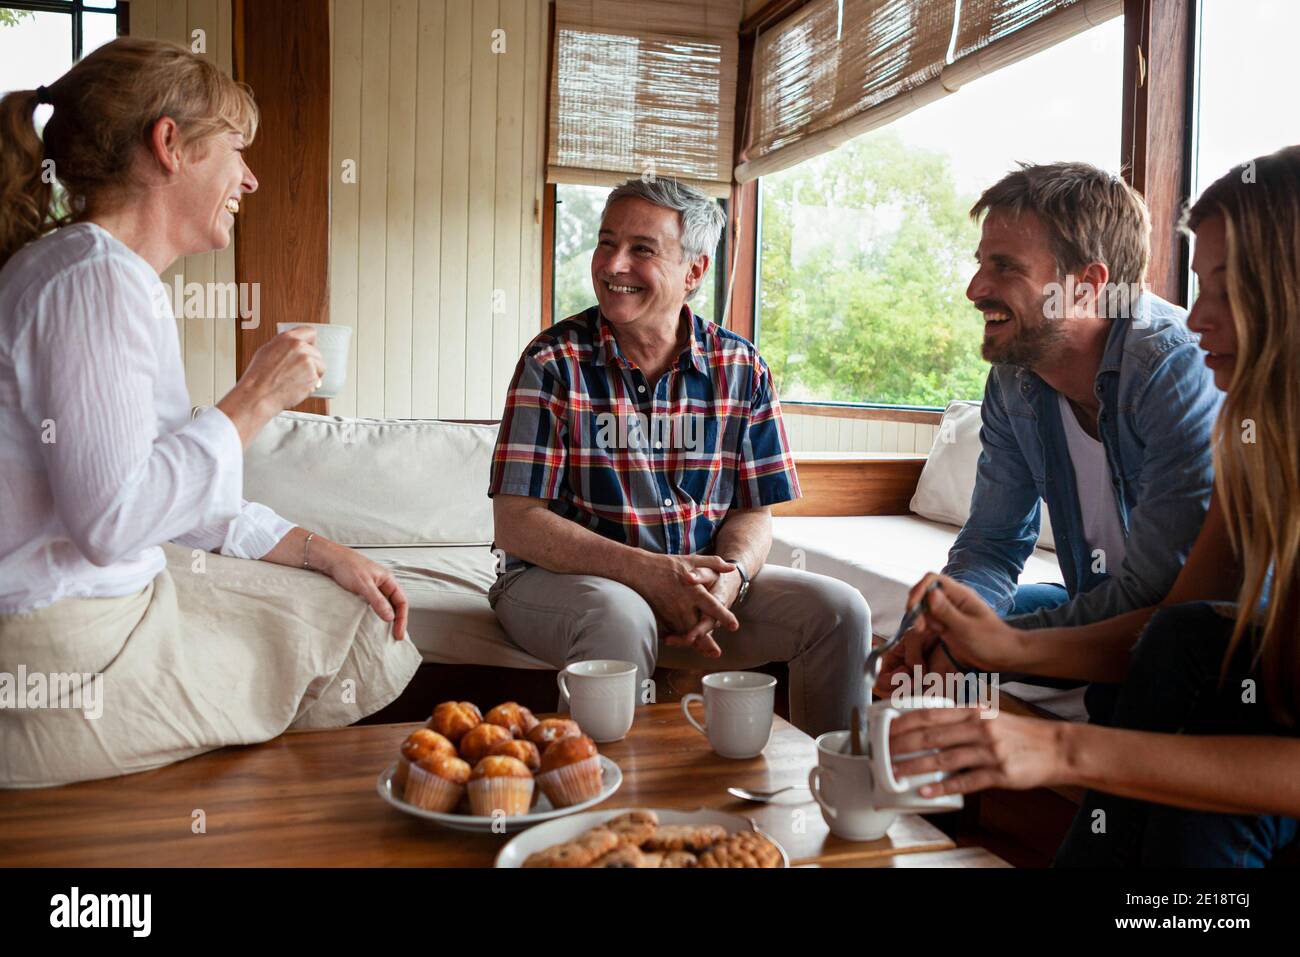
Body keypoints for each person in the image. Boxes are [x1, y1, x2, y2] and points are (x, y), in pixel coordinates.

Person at [0, 38, 420, 788]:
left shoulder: (93, 271)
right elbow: (114, 522)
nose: (249, 177)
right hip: (65, 644)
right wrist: (253, 398)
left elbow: (170, 490)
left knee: (342, 603)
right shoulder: (94, 282)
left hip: (98, 611)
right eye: (235, 149)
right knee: (362, 637)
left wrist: (323, 549)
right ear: (169, 145)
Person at [877, 148, 1300, 866]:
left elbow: (1153, 598)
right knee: (1182, 641)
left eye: (1226, 291)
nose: (1197, 320)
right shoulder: (1254, 434)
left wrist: (1063, 746)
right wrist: (982, 639)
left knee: (1179, 672)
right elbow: (1167, 626)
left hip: (1251, 700)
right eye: (1198, 289)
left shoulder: (1172, 372)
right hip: (1207, 650)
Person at [487, 177, 869, 737]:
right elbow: (516, 523)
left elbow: (754, 511)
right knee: (621, 612)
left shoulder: (742, 368)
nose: (613, 265)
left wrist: (731, 578)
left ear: (694, 272)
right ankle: (605, 811)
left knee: (840, 609)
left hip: (697, 580)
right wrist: (652, 575)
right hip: (561, 581)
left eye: (642, 249)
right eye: (606, 241)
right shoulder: (554, 360)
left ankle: (834, 793)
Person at [900, 164, 1221, 698]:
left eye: (1005, 268)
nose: (974, 289)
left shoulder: (1175, 369)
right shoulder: (1013, 377)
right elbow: (993, 543)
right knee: (912, 647)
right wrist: (945, 621)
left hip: (1175, 623)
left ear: (1088, 285)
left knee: (1120, 687)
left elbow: (1158, 596)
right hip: (1095, 594)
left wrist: (983, 648)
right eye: (981, 263)